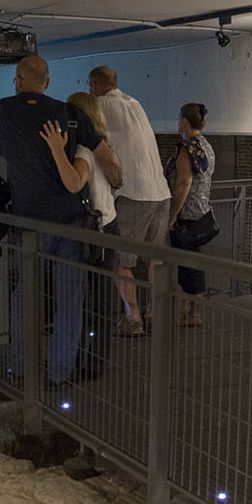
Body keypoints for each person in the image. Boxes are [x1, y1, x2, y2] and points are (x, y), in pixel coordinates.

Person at [0, 55, 122, 386]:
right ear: (48, 82)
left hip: (28, 225)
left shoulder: (3, 110)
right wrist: (117, 180)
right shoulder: (68, 113)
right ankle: (58, 373)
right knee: (69, 300)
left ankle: (19, 368)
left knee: (25, 298)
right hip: (70, 223)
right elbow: (106, 155)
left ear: (17, 81)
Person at [89, 66, 170, 335]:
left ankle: (133, 317)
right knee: (155, 259)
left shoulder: (99, 106)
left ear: (94, 85)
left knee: (121, 260)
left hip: (132, 193)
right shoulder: (135, 103)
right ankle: (156, 314)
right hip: (161, 191)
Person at [66, 91, 122, 378]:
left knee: (81, 297)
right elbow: (116, 181)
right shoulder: (105, 146)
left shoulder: (81, 149)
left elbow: (76, 183)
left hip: (90, 228)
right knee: (101, 296)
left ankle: (79, 360)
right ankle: (98, 360)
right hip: (108, 223)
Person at [166, 102, 216, 326]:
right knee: (192, 261)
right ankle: (191, 311)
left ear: (184, 121)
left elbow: (183, 182)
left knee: (187, 264)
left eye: (179, 118)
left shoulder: (187, 148)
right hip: (203, 211)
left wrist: (173, 214)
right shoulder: (206, 146)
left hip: (188, 214)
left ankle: (192, 312)